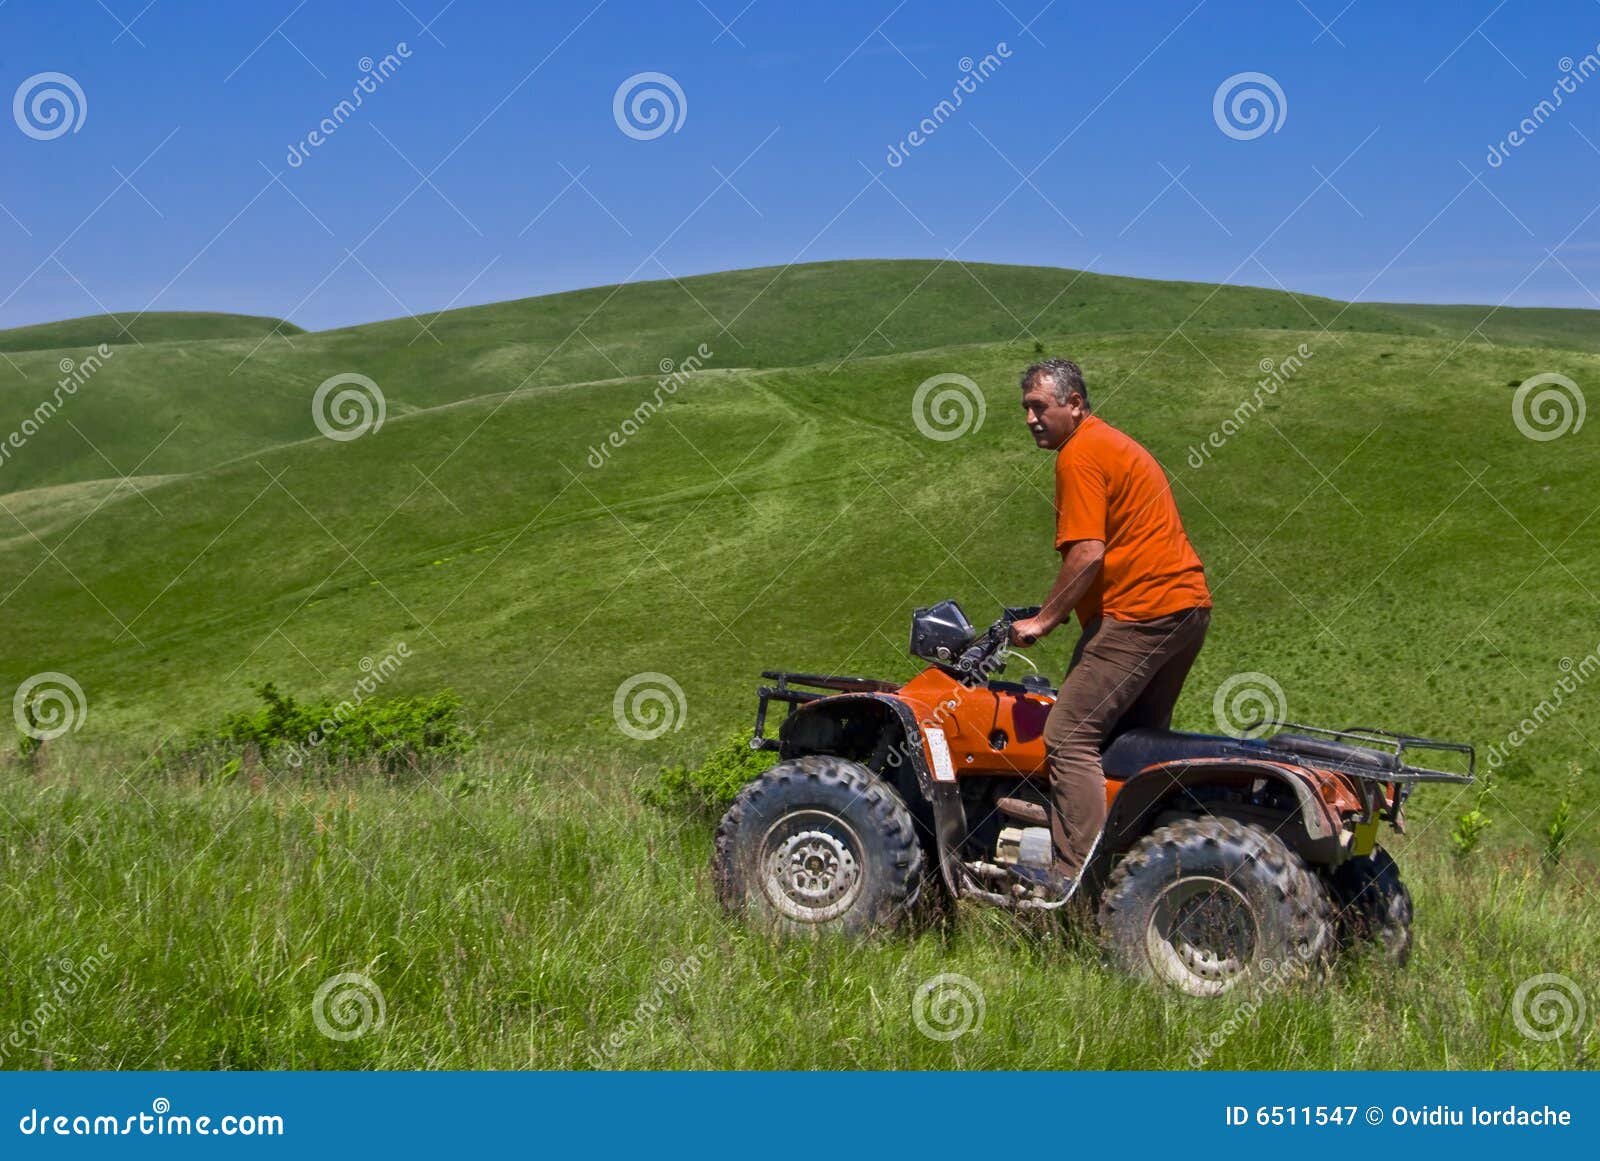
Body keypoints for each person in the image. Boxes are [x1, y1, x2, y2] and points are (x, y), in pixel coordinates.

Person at [1008, 358, 1212, 899]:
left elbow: (1088, 554)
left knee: (1068, 735)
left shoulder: (1080, 454)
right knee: (1133, 747)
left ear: (1074, 404)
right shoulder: (1111, 443)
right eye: (1025, 408)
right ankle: (1142, 872)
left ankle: (1075, 879)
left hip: (1140, 611)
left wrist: (1042, 622)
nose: (1030, 418)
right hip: (1186, 608)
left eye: (1040, 407)